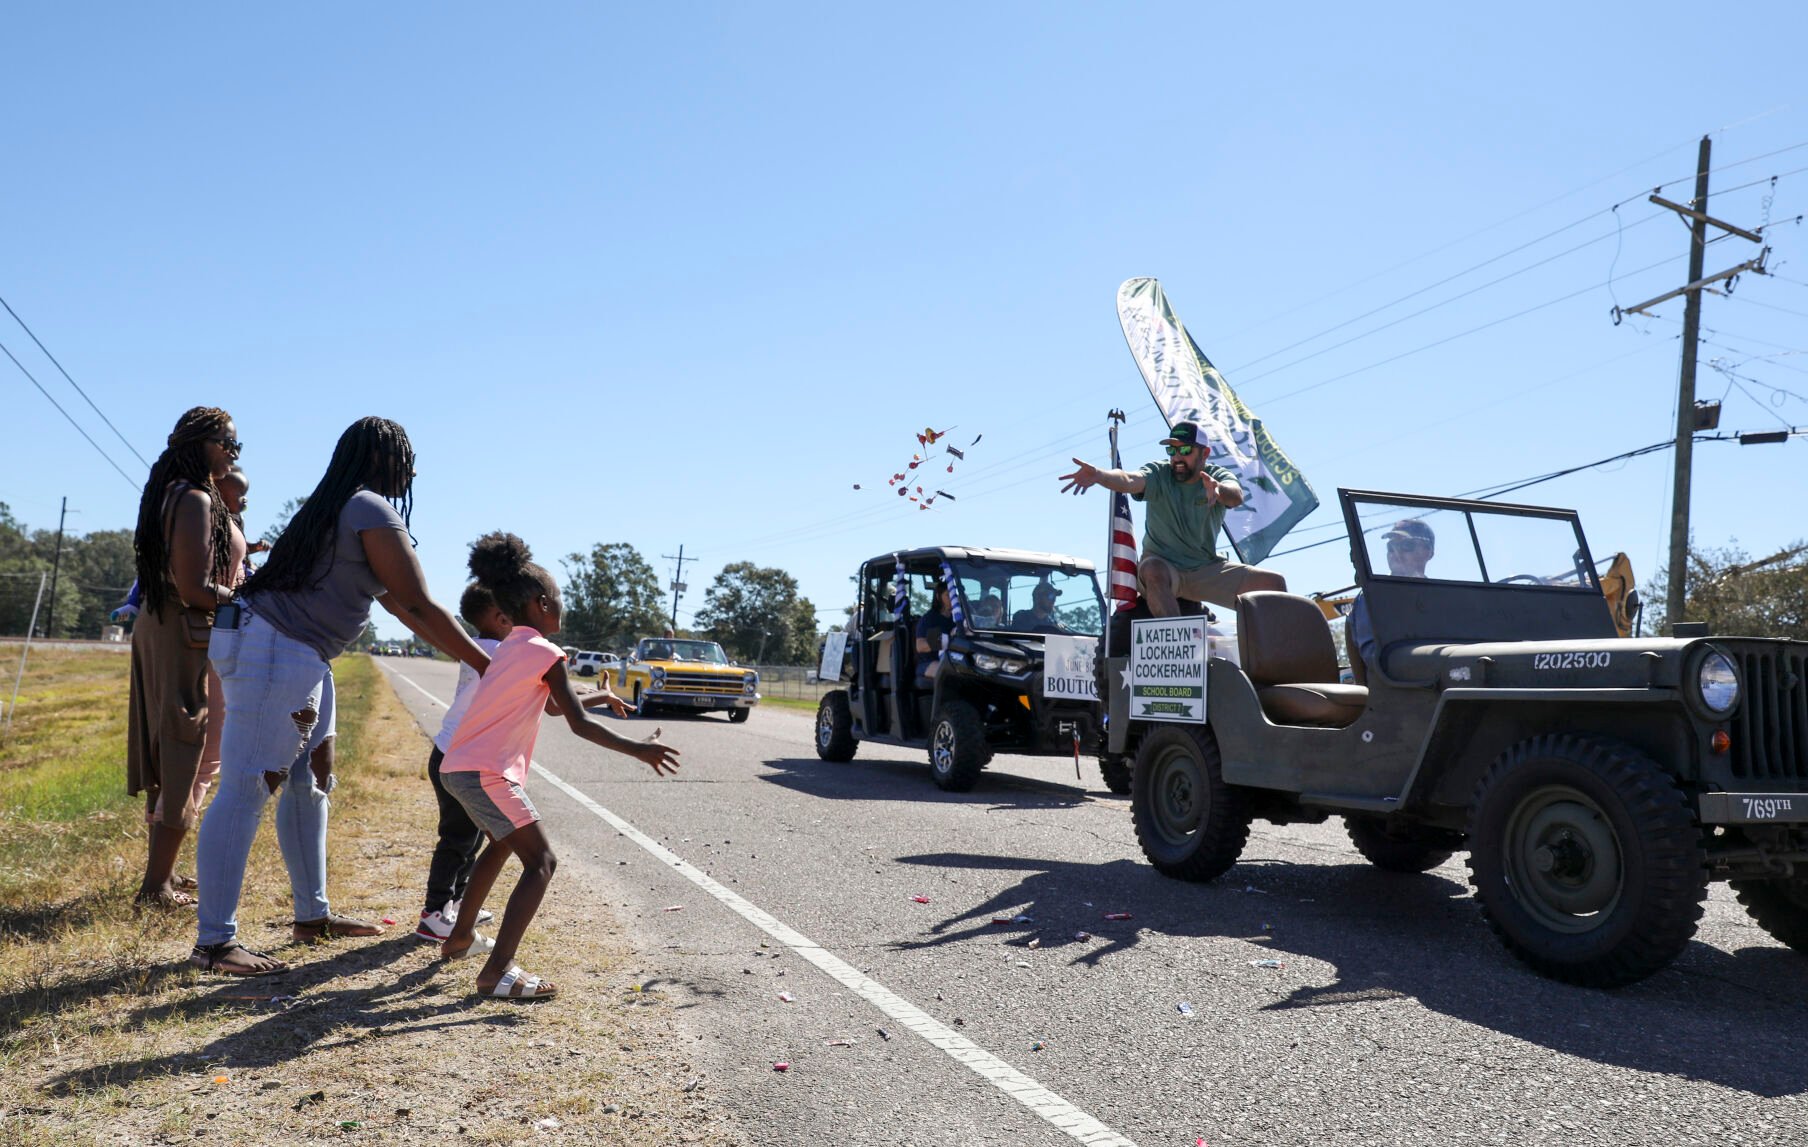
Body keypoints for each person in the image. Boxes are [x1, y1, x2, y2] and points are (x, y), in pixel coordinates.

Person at [191, 417, 492, 977]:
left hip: (294, 651)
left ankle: (312, 917)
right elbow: (419, 605)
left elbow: (401, 607)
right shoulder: (368, 508)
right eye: (408, 459)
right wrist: (487, 664)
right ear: (384, 459)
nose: (415, 470)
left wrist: (478, 659)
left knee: (309, 783)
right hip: (278, 650)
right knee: (247, 786)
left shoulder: (341, 506)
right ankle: (214, 943)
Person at [437, 533, 680, 999]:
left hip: (460, 767)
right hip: (486, 772)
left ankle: (460, 937)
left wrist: (600, 693)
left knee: (505, 846)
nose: (562, 607)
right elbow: (578, 723)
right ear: (542, 603)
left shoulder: (508, 648)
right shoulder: (548, 653)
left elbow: (550, 708)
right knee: (542, 862)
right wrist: (639, 749)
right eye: (561, 599)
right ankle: (496, 970)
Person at [127, 407, 242, 909]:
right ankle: (155, 887)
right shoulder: (193, 498)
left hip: (173, 630)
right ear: (200, 442)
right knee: (188, 752)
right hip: (186, 636)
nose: (234, 453)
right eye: (228, 442)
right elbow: (194, 587)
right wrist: (248, 601)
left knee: (181, 754)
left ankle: (163, 875)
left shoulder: (181, 493)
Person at [1058, 420, 1285, 616]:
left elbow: (1235, 496)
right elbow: (1128, 479)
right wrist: (1099, 475)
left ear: (1204, 453)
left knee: (1272, 583)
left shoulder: (1216, 477)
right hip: (1164, 569)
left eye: (1185, 451)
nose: (1177, 457)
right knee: (1152, 569)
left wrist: (1218, 491)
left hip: (1204, 567)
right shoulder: (1160, 474)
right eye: (1172, 451)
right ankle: (1178, 644)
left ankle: (1276, 658)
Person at [413, 582, 510, 942]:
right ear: (501, 617)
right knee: (458, 837)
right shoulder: (499, 653)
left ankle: (456, 901)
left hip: (454, 752)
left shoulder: (478, 646)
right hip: (458, 757)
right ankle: (434, 912)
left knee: (471, 834)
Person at [1347, 519, 1434, 669]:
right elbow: (1374, 657)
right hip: (1399, 685)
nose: (1396, 553)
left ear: (1428, 552)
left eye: (1406, 546)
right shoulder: (1373, 597)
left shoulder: (1441, 595)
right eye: (1391, 547)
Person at [914, 581, 955, 684]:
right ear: (938, 596)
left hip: (954, 660)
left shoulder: (959, 618)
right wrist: (947, 640)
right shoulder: (930, 619)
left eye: (955, 594)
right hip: (928, 662)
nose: (952, 597)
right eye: (948, 594)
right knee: (950, 673)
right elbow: (920, 646)